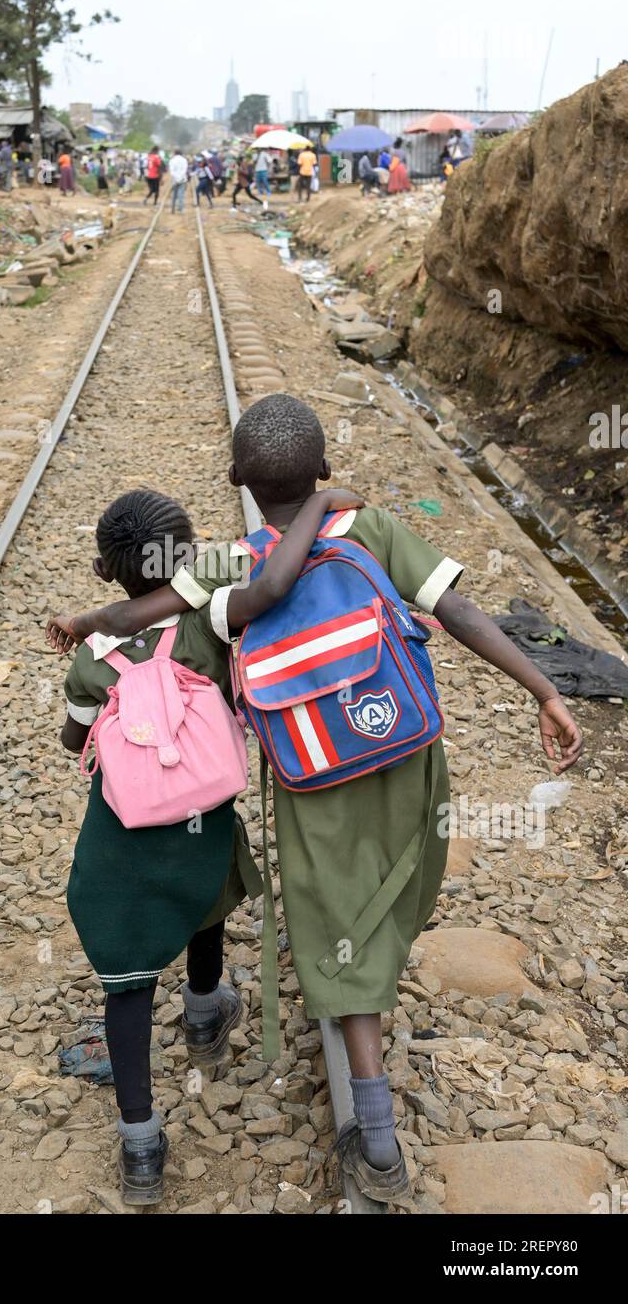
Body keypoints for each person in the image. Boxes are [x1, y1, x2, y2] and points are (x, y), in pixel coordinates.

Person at [47, 392, 583, 1205]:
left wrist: (84, 617)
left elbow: (144, 611)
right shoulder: (370, 530)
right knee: (387, 893)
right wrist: (545, 690)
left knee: (332, 915)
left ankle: (375, 1137)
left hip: (309, 770)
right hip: (407, 753)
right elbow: (460, 611)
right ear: (325, 471)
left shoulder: (230, 562)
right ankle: (370, 994)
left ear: (238, 481)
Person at [51, 485, 362, 1205]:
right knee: (209, 880)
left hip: (120, 839)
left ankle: (140, 1147)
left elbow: (73, 739)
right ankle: (202, 1009)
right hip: (202, 817)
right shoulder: (211, 622)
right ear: (187, 555)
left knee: (125, 981)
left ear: (107, 573)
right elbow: (264, 581)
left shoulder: (90, 660)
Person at [168, 147, 188, 213]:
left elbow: (171, 171)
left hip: (175, 179)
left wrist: (176, 177)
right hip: (183, 179)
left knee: (174, 194)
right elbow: (185, 170)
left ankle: (172, 209)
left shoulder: (172, 160)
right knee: (181, 194)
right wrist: (180, 177)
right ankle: (181, 209)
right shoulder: (184, 160)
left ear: (174, 153)